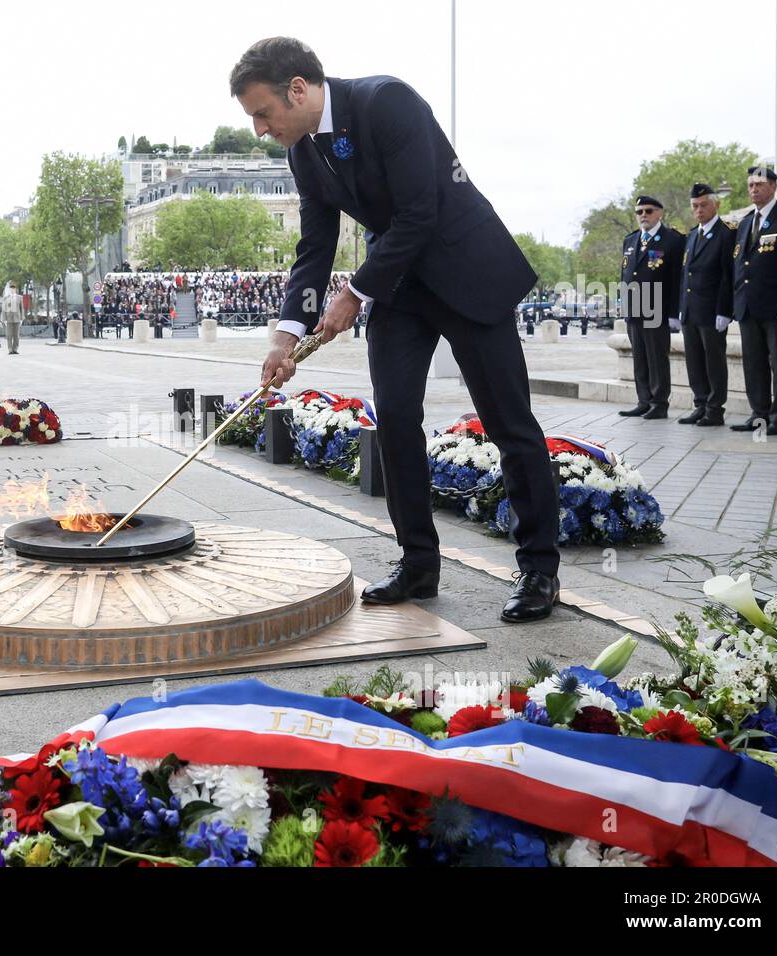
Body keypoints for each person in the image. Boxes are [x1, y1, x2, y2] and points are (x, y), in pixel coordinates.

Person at [234, 36, 560, 623]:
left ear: (298, 90)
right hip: (400, 286)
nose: (259, 129)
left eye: (262, 113)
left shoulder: (387, 101)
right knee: (395, 420)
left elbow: (419, 213)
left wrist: (354, 294)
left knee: (508, 423)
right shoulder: (303, 152)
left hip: (464, 271)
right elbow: (314, 247)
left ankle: (539, 569)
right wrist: (286, 336)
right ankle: (418, 564)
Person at [731, 166, 777, 436]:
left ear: (773, 187)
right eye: (750, 185)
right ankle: (759, 414)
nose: (753, 189)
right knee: (753, 363)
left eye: (759, 184)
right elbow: (740, 265)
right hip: (748, 306)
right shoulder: (744, 223)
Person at [617, 196, 685, 419]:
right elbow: (625, 275)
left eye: (648, 211)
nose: (643, 215)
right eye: (639, 212)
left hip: (658, 309)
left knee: (657, 359)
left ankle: (659, 403)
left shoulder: (673, 240)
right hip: (634, 308)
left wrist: (674, 313)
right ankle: (644, 400)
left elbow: (677, 279)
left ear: (660, 213)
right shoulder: (631, 240)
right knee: (640, 358)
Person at [676, 184, 734, 426]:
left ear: (716, 205)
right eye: (695, 206)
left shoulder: (726, 234)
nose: (699, 210)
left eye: (703, 205)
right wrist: (680, 307)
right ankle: (700, 404)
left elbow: (728, 276)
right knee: (694, 361)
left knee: (714, 361)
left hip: (712, 311)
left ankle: (715, 408)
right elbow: (685, 275)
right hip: (691, 310)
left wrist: (724, 310)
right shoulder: (691, 236)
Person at [1, 281, 24, 354]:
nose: (12, 289)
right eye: (11, 288)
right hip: (9, 319)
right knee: (9, 335)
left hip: (17, 318)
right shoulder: (6, 298)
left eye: (14, 288)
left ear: (15, 289)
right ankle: (10, 349)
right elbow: (4, 309)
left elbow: (22, 308)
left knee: (16, 335)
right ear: (9, 289)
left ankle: (15, 349)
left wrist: (22, 318)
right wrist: (4, 319)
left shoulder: (19, 297)